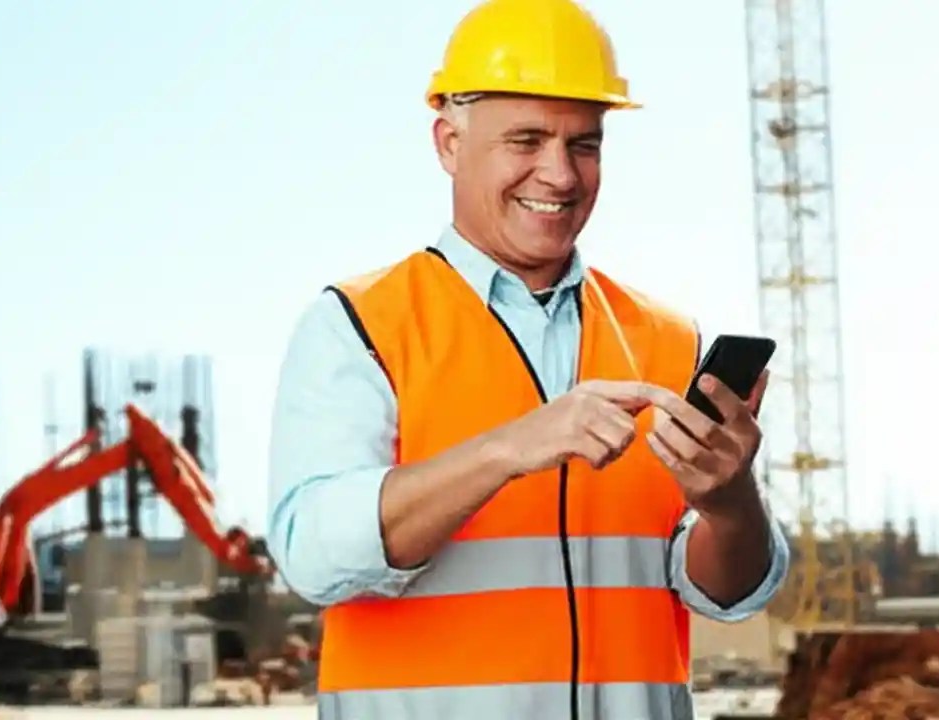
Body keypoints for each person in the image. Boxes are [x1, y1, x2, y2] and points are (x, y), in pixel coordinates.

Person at [267, 0, 790, 717]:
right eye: (526, 140)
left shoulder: (669, 341)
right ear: (448, 141)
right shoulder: (361, 326)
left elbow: (722, 593)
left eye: (585, 144)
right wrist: (508, 449)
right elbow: (315, 556)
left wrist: (733, 510)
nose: (561, 175)